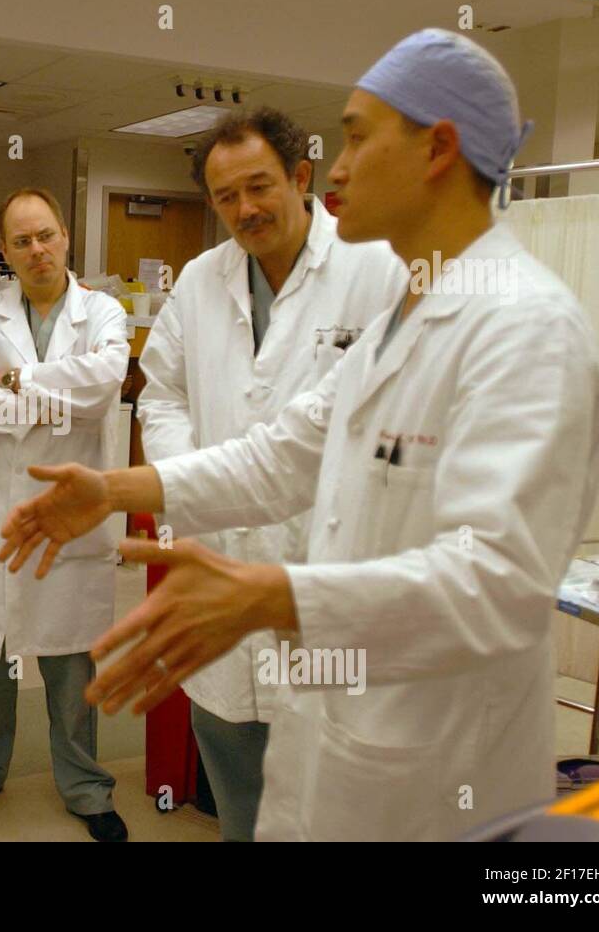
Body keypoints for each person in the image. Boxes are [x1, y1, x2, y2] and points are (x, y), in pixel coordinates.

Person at [0, 28, 599, 841]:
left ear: (439, 147)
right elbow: (285, 453)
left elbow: (498, 582)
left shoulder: (525, 329)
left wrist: (272, 596)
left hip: (439, 768)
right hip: (346, 734)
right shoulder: (408, 315)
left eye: (358, 137)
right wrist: (116, 489)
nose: (340, 168)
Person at [137, 106, 406, 841]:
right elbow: (162, 390)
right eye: (226, 197)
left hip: (327, 571)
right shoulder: (199, 281)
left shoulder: (373, 267)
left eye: (259, 187)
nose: (244, 209)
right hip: (221, 562)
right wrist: (187, 478)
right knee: (234, 772)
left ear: (301, 176)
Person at [0, 188, 131, 841]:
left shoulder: (102, 311)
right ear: (6, 253)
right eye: (22, 241)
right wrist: (52, 395)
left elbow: (103, 388)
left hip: (67, 511)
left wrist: (15, 383)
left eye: (45, 235)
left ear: (65, 236)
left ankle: (86, 786)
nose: (37, 250)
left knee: (71, 660)